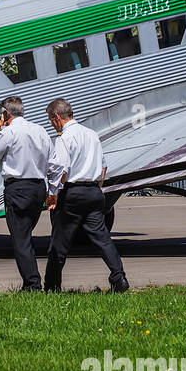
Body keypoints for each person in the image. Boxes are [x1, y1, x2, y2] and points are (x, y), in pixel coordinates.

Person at [43, 98, 129, 294]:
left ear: (56, 117)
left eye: (51, 120)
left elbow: (61, 171)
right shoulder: (92, 134)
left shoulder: (64, 138)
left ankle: (51, 287)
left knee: (59, 242)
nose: (52, 124)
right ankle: (119, 277)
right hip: (94, 193)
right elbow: (104, 166)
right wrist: (96, 186)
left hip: (73, 193)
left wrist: (53, 195)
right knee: (102, 239)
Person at [0, 96, 53, 292]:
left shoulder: (8, 132)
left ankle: (32, 284)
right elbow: (52, 160)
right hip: (39, 187)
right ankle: (37, 280)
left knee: (21, 239)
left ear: (5, 114)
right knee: (26, 234)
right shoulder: (40, 130)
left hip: (18, 188)